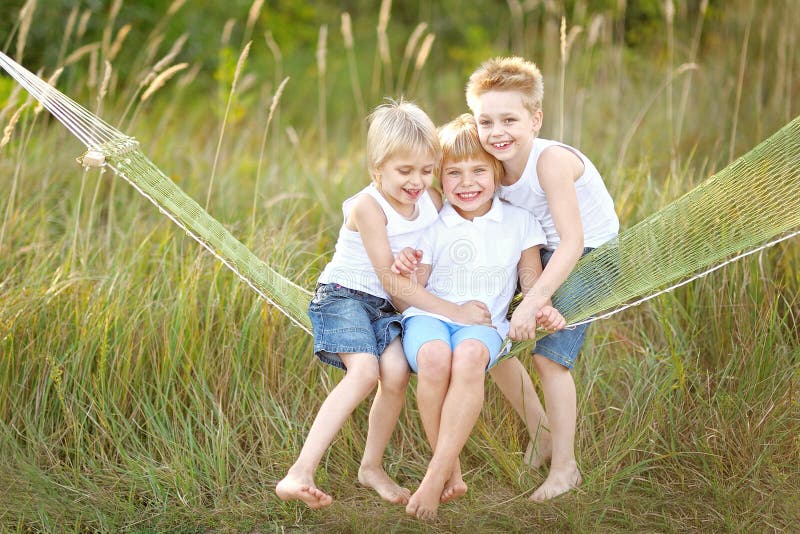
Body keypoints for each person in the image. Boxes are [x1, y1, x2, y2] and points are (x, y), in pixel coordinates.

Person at [275, 100, 492, 509]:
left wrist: (417, 267)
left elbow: (414, 272)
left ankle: (370, 467)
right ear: (378, 169)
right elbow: (388, 277)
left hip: (387, 307)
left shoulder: (429, 201)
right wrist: (454, 310)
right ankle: (299, 472)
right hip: (344, 296)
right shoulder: (367, 206)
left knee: (394, 374)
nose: (417, 181)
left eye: (427, 170)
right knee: (365, 372)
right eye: (404, 171)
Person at [394, 114, 566, 519]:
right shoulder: (433, 223)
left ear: (497, 174)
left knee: (470, 358)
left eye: (478, 171)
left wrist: (543, 307)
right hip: (429, 318)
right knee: (435, 359)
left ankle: (435, 476)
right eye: (453, 173)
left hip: (485, 327)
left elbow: (531, 278)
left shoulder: (520, 221)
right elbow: (412, 290)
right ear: (438, 178)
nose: (466, 182)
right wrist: (407, 267)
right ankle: (449, 469)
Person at [466, 56, 620, 501]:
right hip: (532, 254)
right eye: (486, 121)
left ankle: (565, 469)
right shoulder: (493, 166)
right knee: (484, 333)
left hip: (591, 255)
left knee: (548, 358)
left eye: (509, 119)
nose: (497, 132)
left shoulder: (549, 160)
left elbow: (572, 243)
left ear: (534, 119)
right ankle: (542, 432)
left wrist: (534, 302)